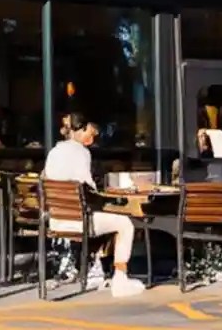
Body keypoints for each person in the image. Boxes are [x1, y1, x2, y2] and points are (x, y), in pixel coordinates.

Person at [42, 113, 145, 298]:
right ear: (80, 130)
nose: (92, 136)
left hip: (57, 221)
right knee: (125, 224)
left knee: (104, 219)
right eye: (89, 131)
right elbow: (88, 189)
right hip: (79, 222)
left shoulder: (53, 152)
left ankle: (95, 267)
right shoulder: (82, 153)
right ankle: (120, 280)